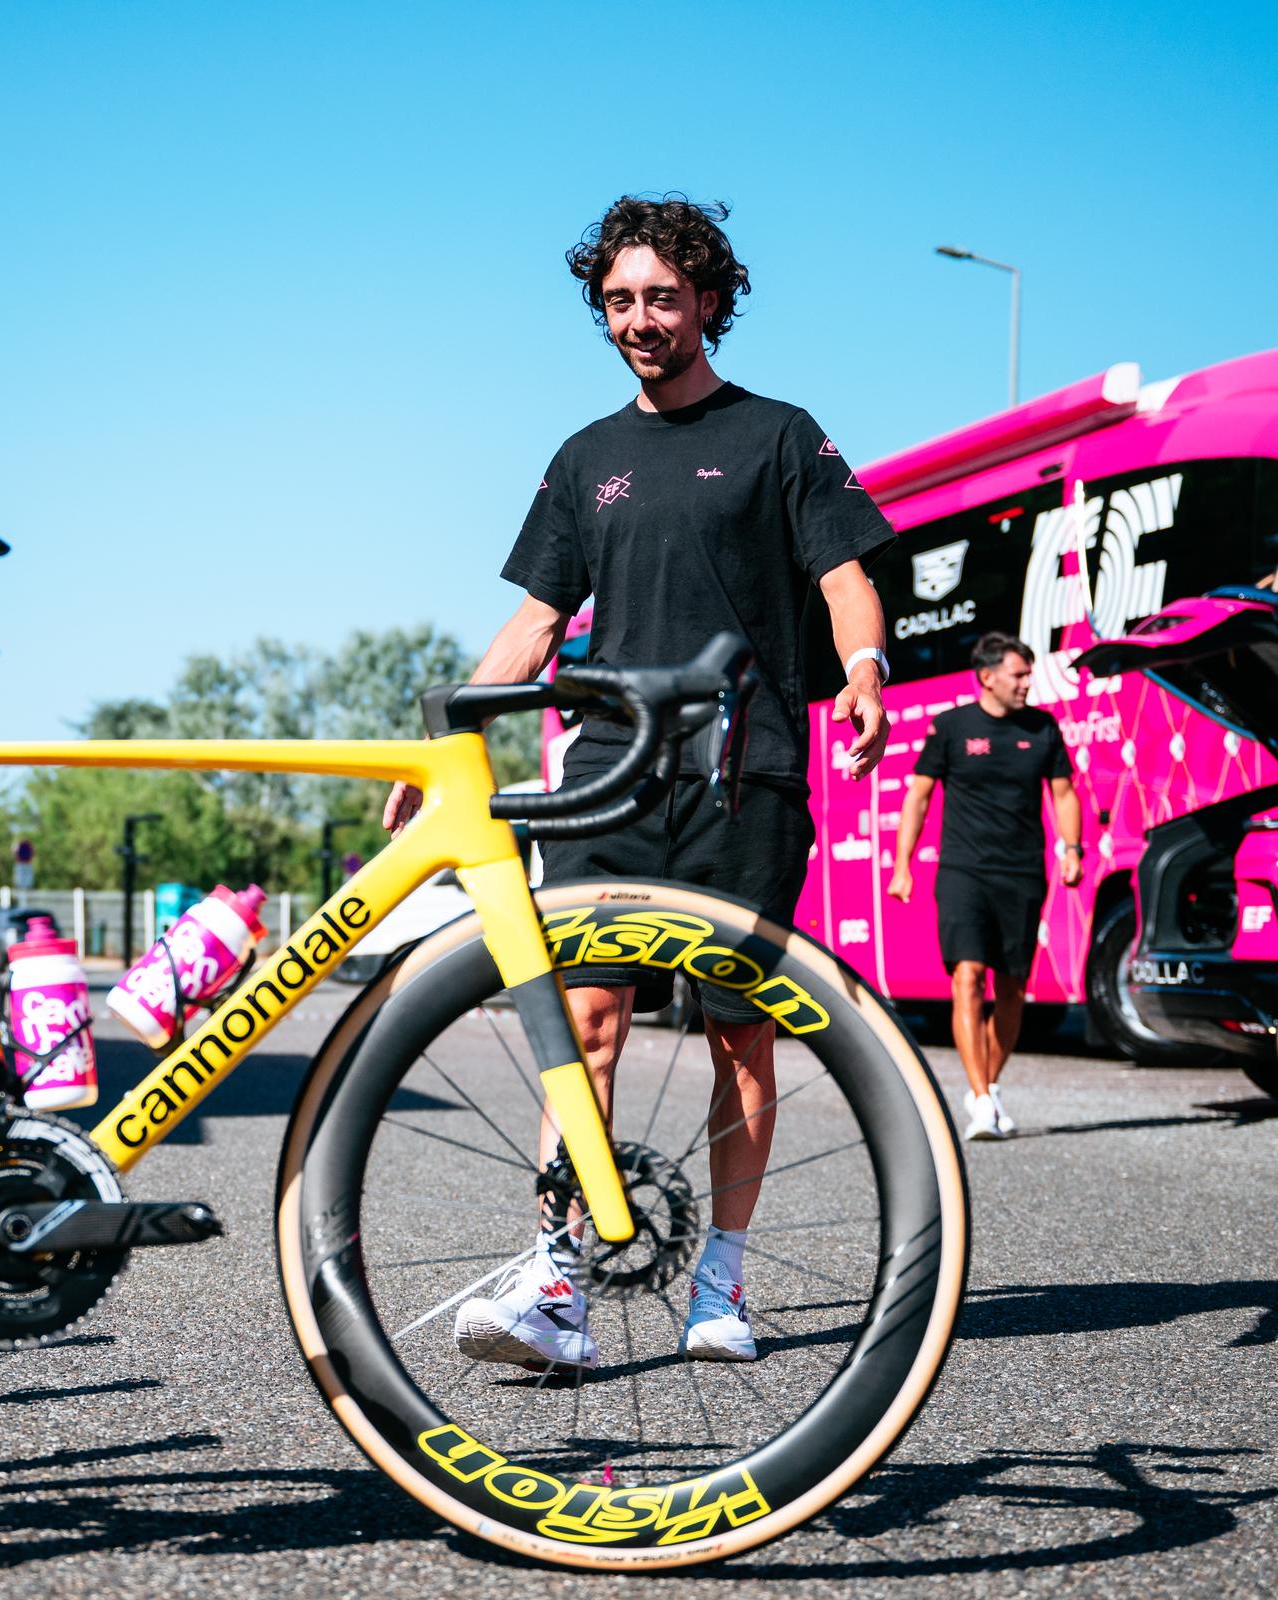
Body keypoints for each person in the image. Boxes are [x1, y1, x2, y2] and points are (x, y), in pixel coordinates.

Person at [383, 195, 895, 1369]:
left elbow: (844, 577)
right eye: (619, 300)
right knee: (587, 1018)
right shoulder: (583, 458)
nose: (640, 319)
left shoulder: (779, 434)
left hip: (741, 768)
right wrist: (445, 736)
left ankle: (722, 1281)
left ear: (709, 301)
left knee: (737, 1032)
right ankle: (561, 1277)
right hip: (607, 771)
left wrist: (861, 669)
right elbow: (534, 620)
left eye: (662, 296)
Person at [886, 633, 1083, 1141]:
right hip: (963, 872)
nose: (1026, 684)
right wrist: (902, 863)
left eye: (1028, 675)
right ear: (987, 676)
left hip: (1021, 874)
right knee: (968, 976)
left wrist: (1073, 849)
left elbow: (1064, 794)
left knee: (1013, 987)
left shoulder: (1043, 728)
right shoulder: (951, 727)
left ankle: (989, 1086)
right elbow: (919, 796)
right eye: (1018, 675)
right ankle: (979, 1101)